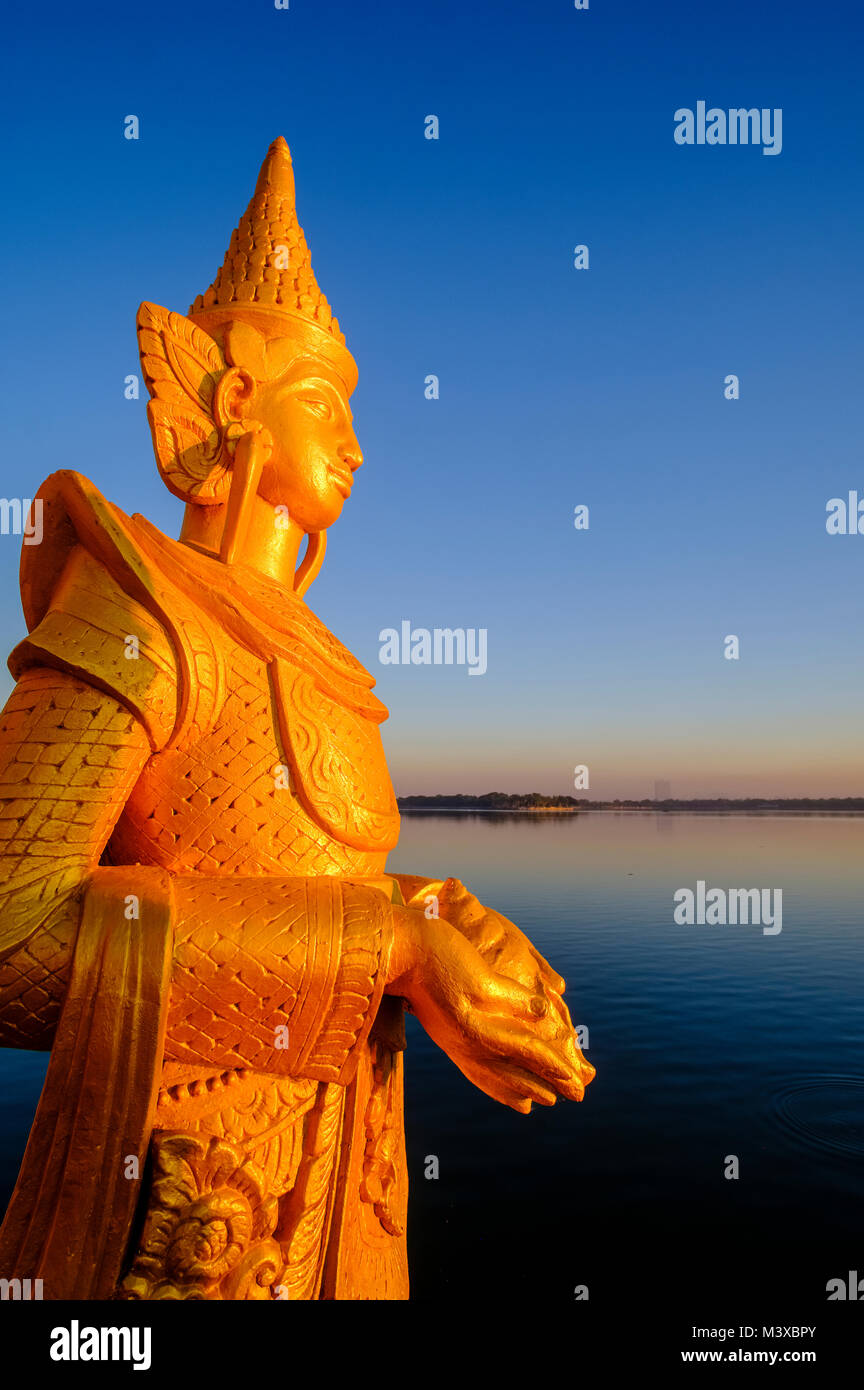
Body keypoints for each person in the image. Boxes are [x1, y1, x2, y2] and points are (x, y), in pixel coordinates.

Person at [0, 137, 593, 1300]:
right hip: (183, 1224)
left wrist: (432, 916)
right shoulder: (136, 608)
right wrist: (389, 951)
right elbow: (11, 934)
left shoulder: (313, 657)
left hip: (339, 1203)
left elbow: (296, 877)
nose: (357, 446)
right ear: (237, 402)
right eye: (326, 405)